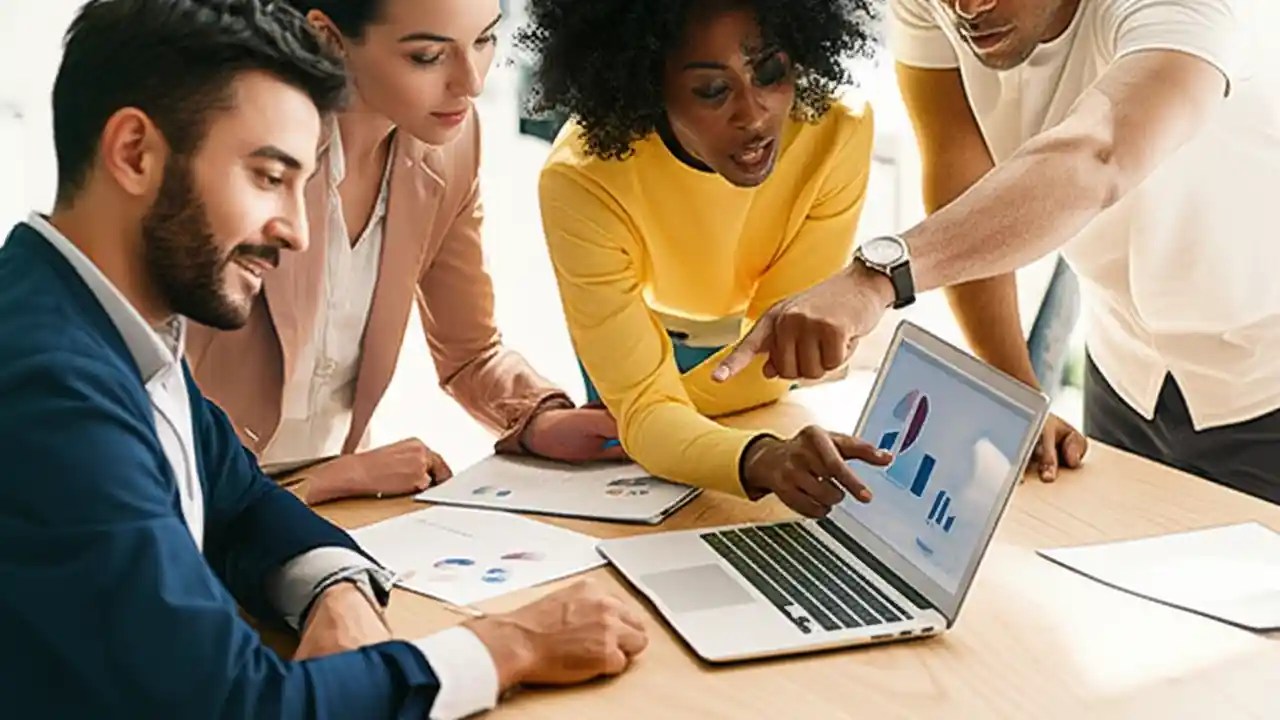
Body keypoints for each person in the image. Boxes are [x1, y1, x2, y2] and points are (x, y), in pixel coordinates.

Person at [0, 1, 646, 716]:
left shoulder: (113, 326)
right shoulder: (48, 384)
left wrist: (332, 588)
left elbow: (241, 503)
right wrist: (509, 646)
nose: (301, 232)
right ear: (135, 154)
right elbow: (237, 705)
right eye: (268, 177)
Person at [716, 0, 1280, 504]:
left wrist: (875, 278)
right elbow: (960, 174)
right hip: (1129, 369)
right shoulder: (937, 6)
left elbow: (1096, 155)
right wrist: (1015, 393)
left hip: (1265, 371)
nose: (967, 6)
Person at [186, 0, 624, 506]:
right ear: (329, 37)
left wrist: (539, 417)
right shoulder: (240, 151)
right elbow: (149, 411)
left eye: (483, 40)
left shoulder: (450, 143)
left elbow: (470, 354)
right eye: (427, 56)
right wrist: (331, 479)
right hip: (201, 513)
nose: (472, 82)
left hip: (336, 513)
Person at [515, 0, 895, 519]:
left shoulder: (836, 131)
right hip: (651, 332)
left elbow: (777, 359)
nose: (755, 114)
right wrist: (755, 456)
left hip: (739, 366)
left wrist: (650, 422)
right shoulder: (582, 180)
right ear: (647, 84)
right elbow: (647, 410)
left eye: (770, 72)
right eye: (713, 90)